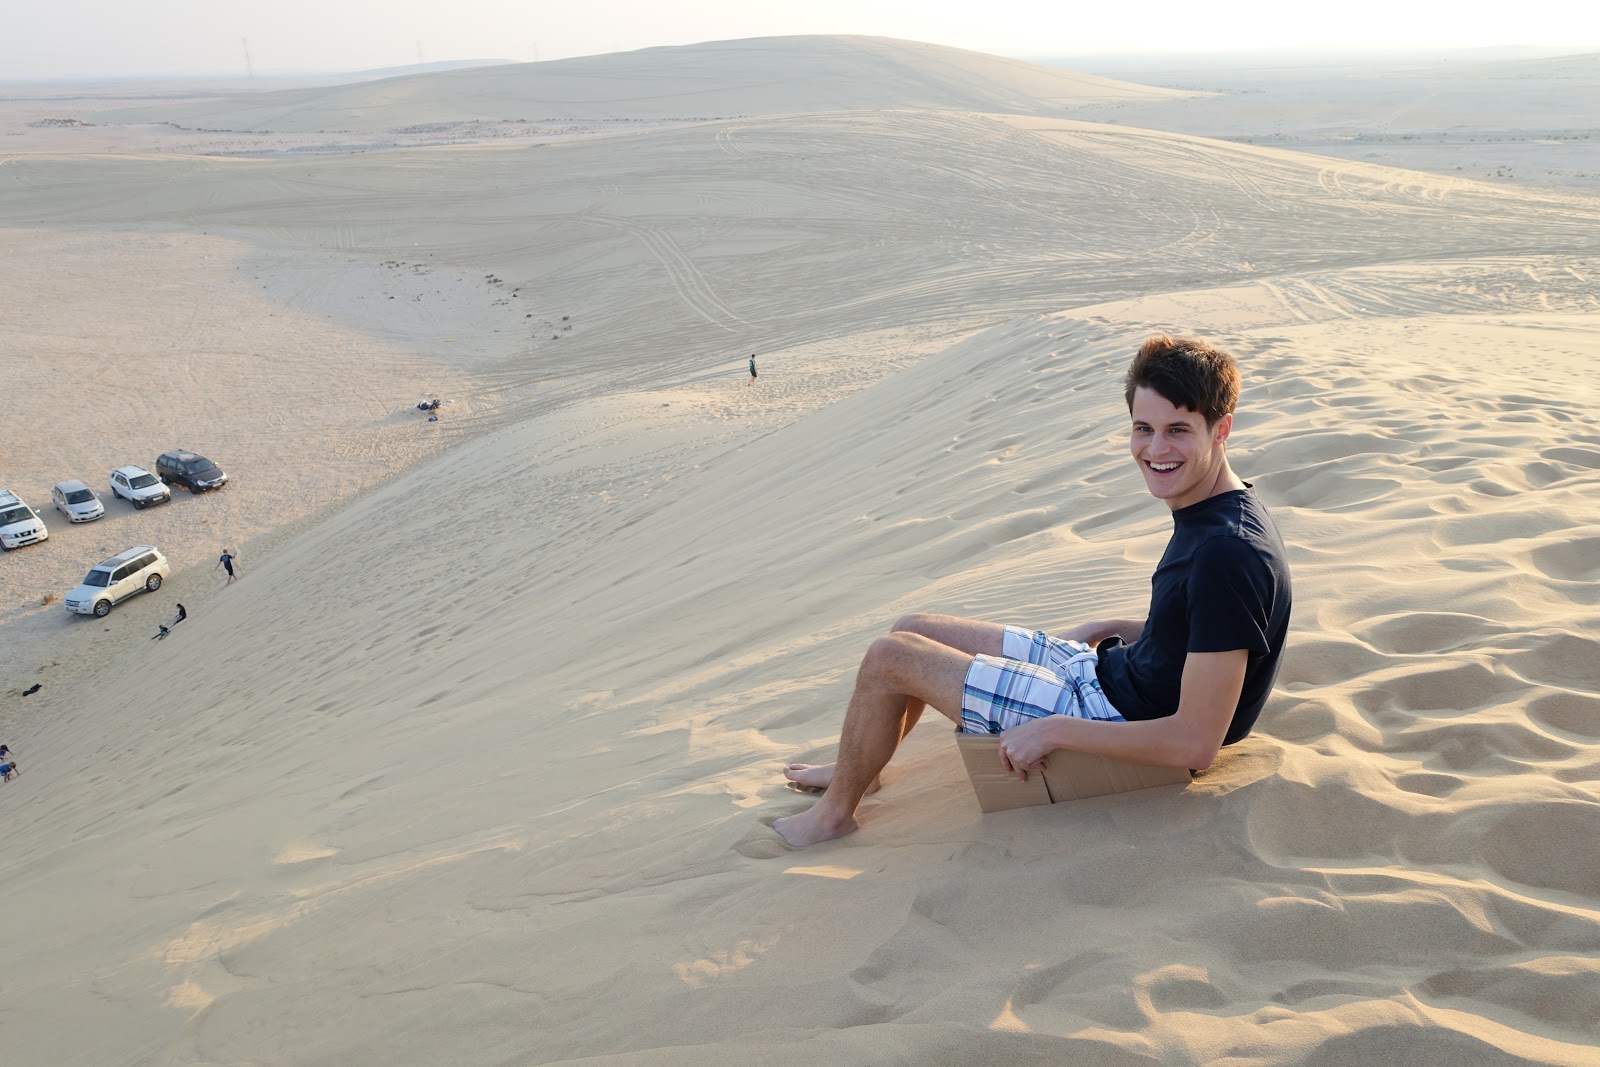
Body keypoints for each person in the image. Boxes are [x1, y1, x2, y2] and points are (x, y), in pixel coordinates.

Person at [775, 335, 1293, 848]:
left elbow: (1195, 742)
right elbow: (1208, 630)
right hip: (1106, 679)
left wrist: (1056, 731)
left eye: (1177, 430)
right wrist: (1110, 627)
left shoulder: (1228, 552)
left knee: (890, 658)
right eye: (1143, 428)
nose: (1155, 450)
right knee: (912, 628)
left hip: (1108, 718)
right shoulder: (1221, 509)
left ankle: (832, 818)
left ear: (1220, 429)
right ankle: (859, 768)